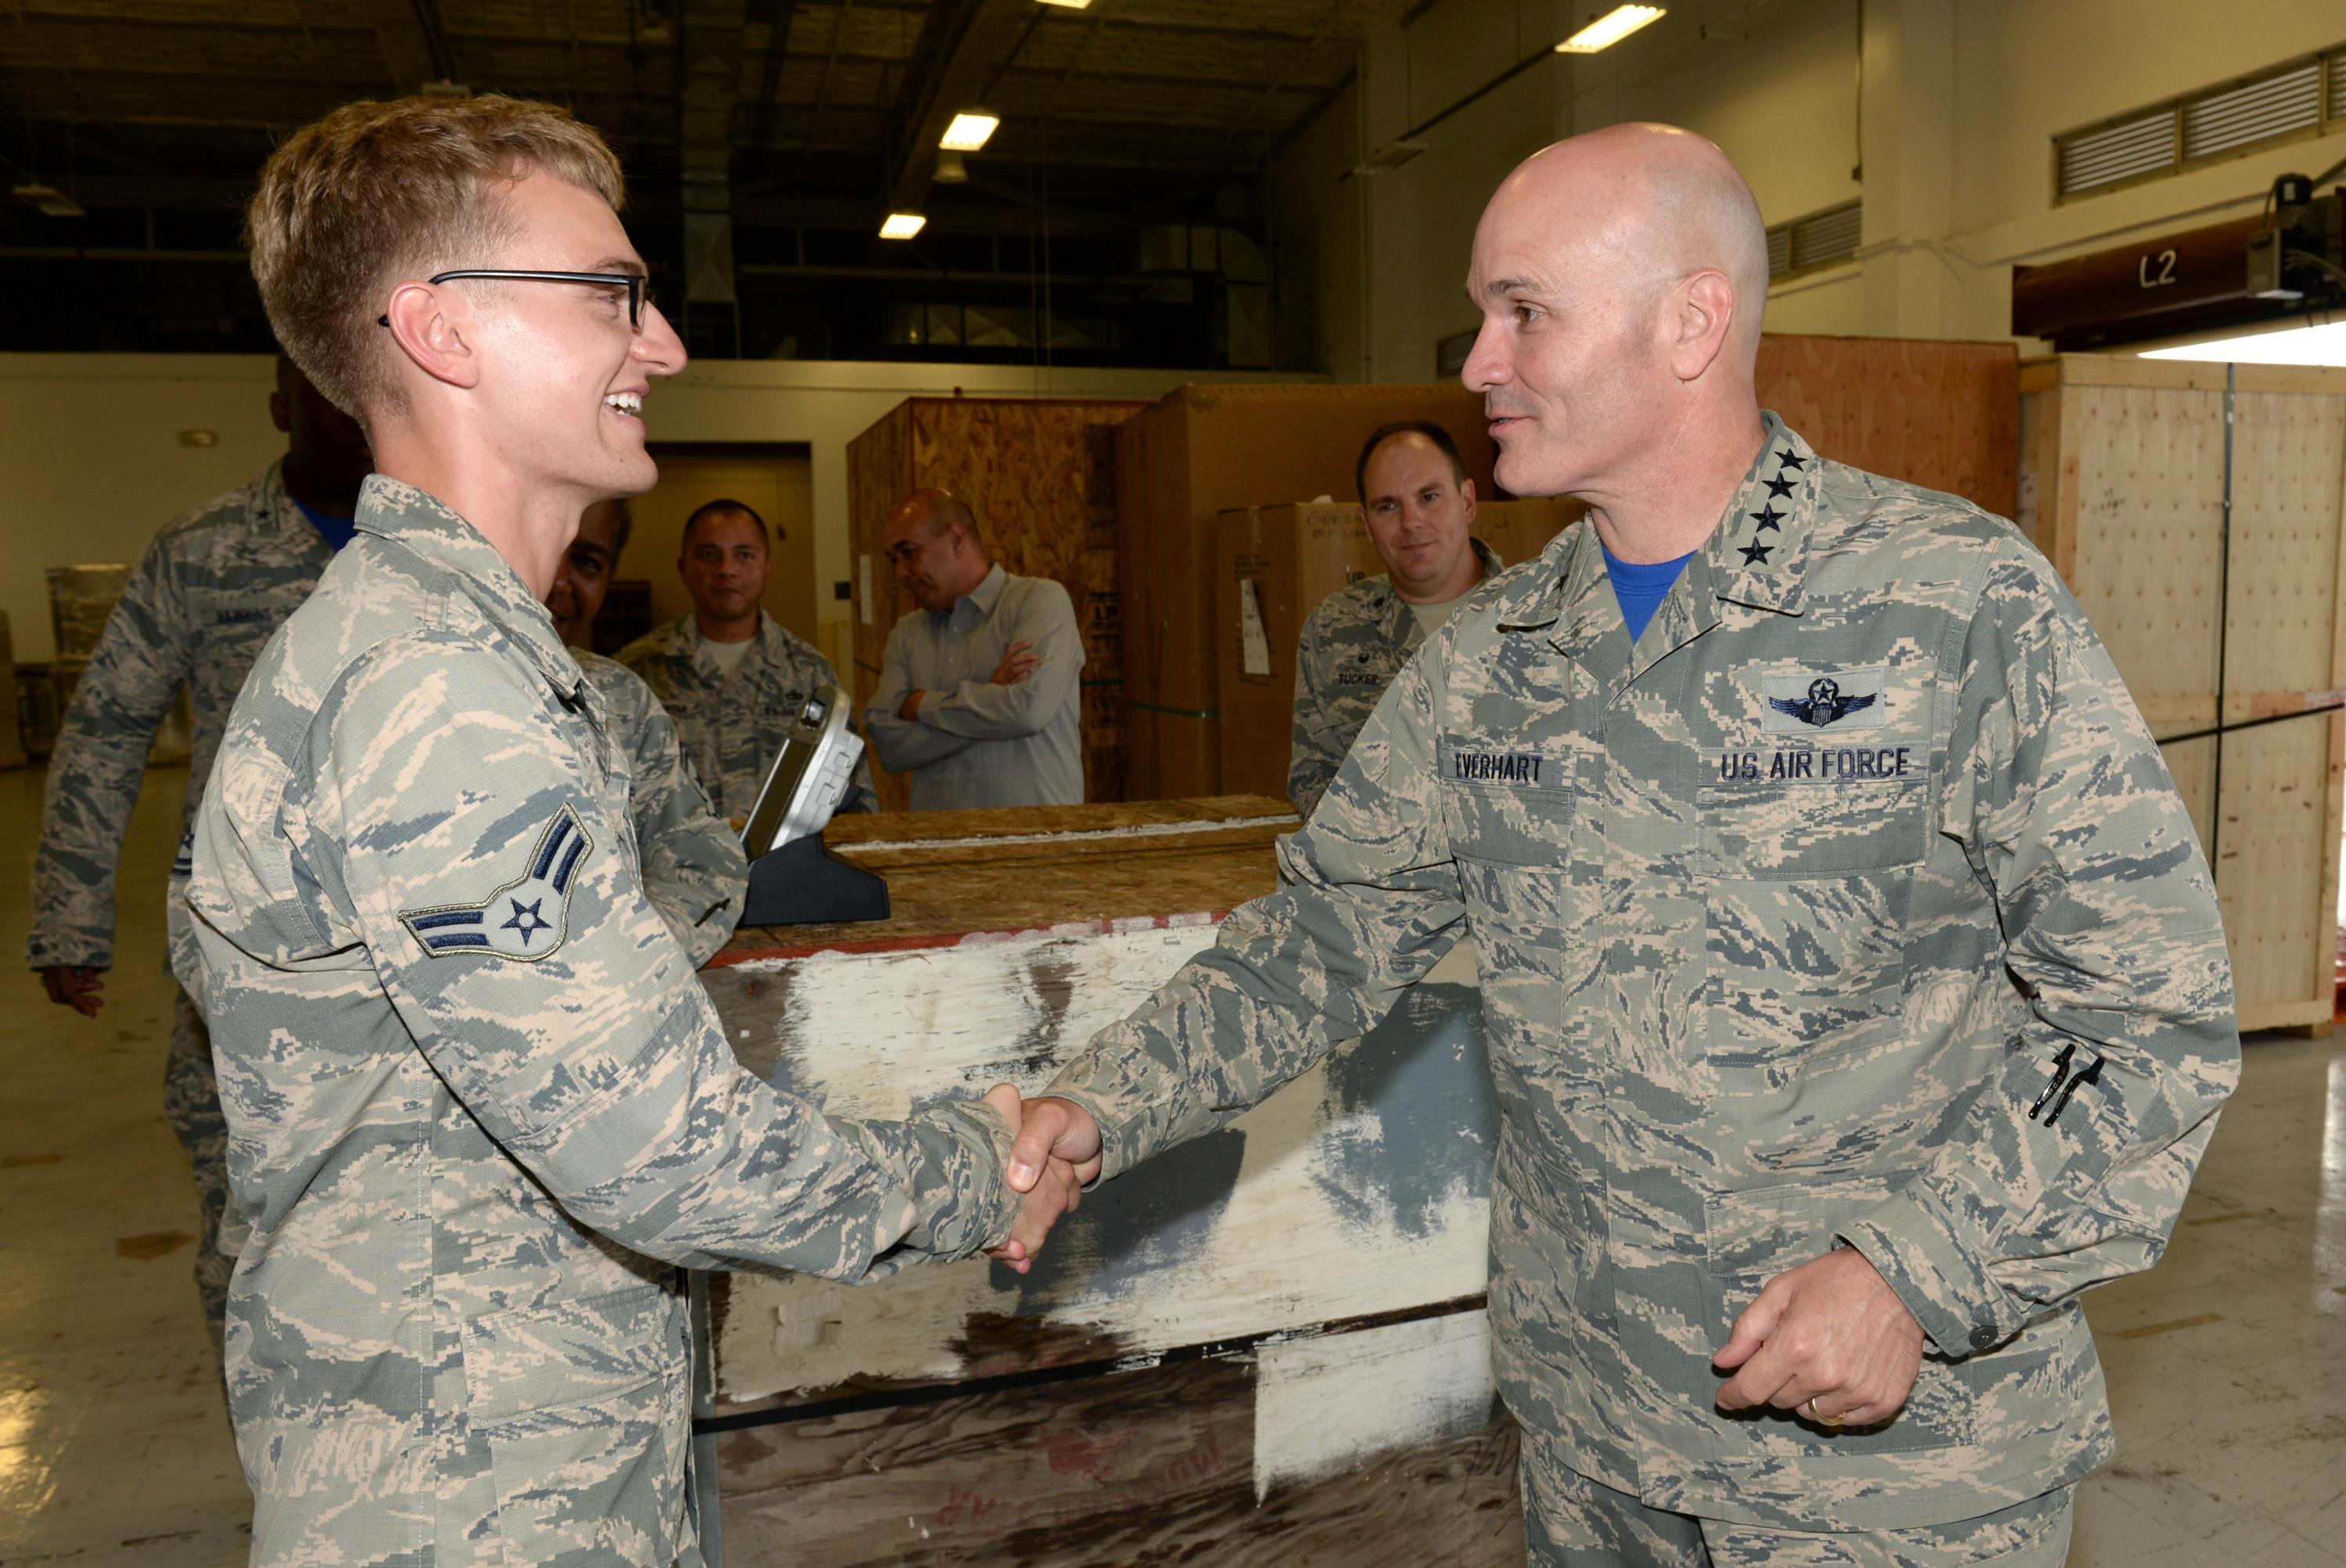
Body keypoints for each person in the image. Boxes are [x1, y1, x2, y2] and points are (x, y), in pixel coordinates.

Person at [1004, 124, 2239, 1566]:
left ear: (1692, 321)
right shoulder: (1490, 661)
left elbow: (2150, 1012)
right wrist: (1103, 1105)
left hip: (1893, 1484)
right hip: (1597, 1456)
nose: (1476, 363)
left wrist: (1919, 1269)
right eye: (1481, 315)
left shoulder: (1952, 606)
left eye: (1523, 310)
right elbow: (1319, 941)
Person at [188, 93, 1078, 1566]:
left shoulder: (470, 662)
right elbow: (659, 1148)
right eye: (612, 294)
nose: (660, 343)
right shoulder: (438, 692)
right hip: (469, 1492)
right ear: (443, 331)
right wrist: (976, 1163)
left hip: (523, 1443)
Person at [30, 353, 371, 1362]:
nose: (351, 412)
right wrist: (71, 915)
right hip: (244, 942)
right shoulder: (203, 550)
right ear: (279, 407)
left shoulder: (440, 538)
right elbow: (106, 726)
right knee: (248, 1214)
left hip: (416, 927)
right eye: (324, 392)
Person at [552, 498, 748, 965]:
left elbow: (699, 862)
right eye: (541, 545)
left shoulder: (620, 697)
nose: (558, 581)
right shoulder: (412, 689)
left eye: (586, 562)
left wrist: (623, 974)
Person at [1288, 421, 1504, 818]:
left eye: (1429, 496)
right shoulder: (1333, 630)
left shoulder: (1538, 619)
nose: (1411, 522)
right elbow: (1313, 780)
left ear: (1468, 501)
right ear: (1366, 525)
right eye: (1388, 506)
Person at [615, 498, 874, 819]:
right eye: (708, 555)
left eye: (744, 555)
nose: (726, 569)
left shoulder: (809, 673)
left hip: (784, 865)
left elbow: (851, 793)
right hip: (674, 866)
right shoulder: (637, 671)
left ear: (767, 569)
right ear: (683, 568)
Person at [864, 488, 1085, 809]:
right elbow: (890, 748)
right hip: (940, 851)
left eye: (909, 553)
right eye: (893, 560)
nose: (900, 573)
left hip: (1037, 848)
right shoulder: (907, 633)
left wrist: (924, 705)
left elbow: (1027, 713)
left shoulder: (1039, 602)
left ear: (956, 539)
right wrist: (991, 697)